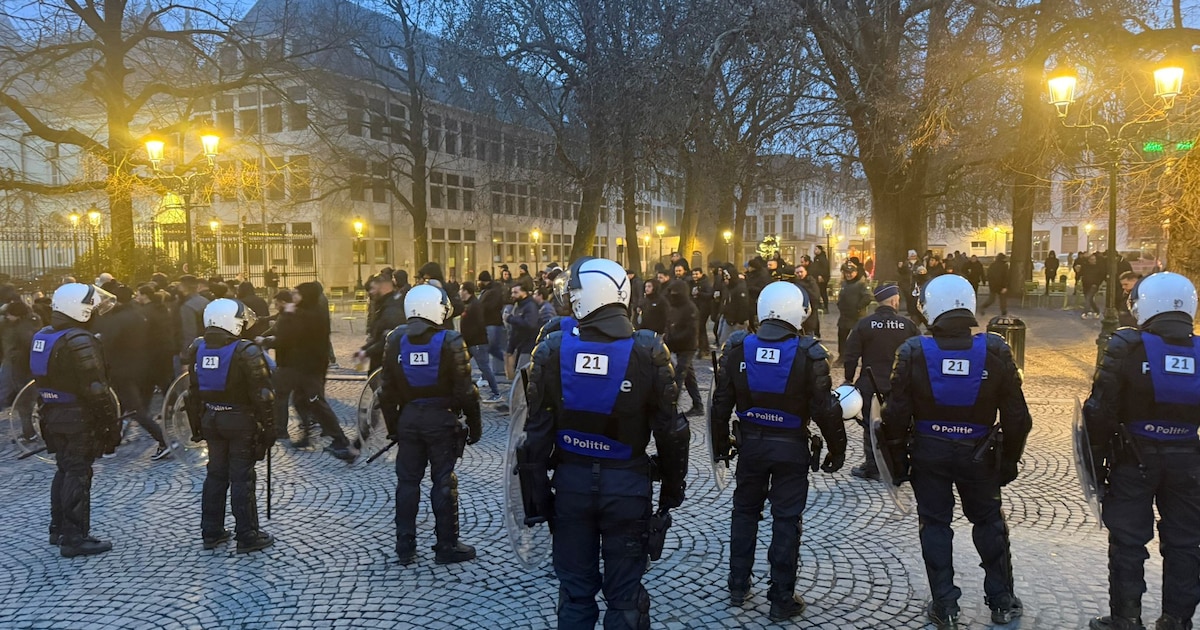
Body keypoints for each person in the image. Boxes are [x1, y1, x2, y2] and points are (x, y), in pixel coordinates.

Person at [517, 256, 689, 628]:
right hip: (627, 486)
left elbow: (533, 439)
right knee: (625, 599)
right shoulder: (647, 350)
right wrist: (672, 492)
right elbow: (672, 432)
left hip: (571, 487)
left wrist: (539, 503)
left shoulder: (552, 349)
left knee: (575, 595)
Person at [878, 274, 1031, 629]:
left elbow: (895, 417)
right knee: (989, 522)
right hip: (979, 453)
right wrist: (1008, 461)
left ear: (930, 309)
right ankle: (1002, 601)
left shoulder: (913, 351)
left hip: (929, 452)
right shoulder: (995, 349)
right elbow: (1017, 416)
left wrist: (897, 463)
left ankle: (945, 604)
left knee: (934, 524)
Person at [710, 280, 846, 621]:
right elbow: (825, 409)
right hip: (790, 449)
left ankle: (738, 585)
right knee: (786, 520)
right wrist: (836, 448)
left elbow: (719, 403)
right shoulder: (809, 353)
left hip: (751, 446)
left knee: (744, 513)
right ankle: (781, 597)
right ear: (797, 314)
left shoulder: (738, 347)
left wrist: (720, 444)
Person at [1084, 272, 1200, 630]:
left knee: (1128, 541)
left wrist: (1097, 463)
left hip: (1132, 458)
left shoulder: (1127, 346)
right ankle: (1177, 619)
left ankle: (1126, 618)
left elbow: (1099, 410)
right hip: (1188, 459)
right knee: (1186, 542)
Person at [378, 285, 481, 565]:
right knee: (444, 481)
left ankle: (405, 545)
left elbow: (385, 391)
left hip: (410, 418)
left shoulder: (395, 339)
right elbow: (466, 391)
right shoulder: (451, 340)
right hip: (441, 419)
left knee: (407, 483)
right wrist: (475, 423)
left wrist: (393, 427)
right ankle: (447, 545)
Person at [32, 283, 121, 557]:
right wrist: (111, 422)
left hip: (51, 412)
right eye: (92, 308)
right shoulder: (79, 339)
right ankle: (74, 537)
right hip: (77, 416)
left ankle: (58, 529)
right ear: (80, 310)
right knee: (78, 472)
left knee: (64, 469)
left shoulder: (44, 335)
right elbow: (96, 387)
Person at [183, 298, 275, 553]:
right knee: (241, 478)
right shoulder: (246, 351)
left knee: (215, 475)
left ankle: (211, 530)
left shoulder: (197, 347)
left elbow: (193, 391)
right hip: (240, 420)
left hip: (211, 418)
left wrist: (198, 425)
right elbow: (263, 394)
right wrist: (270, 428)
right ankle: (247, 535)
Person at [264, 282, 357, 460]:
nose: (294, 297)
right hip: (301, 366)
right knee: (299, 401)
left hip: (310, 368)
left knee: (317, 403)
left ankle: (342, 441)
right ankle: (306, 435)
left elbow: (292, 335)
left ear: (306, 295)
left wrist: (268, 339)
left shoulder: (311, 313)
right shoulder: (304, 312)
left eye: (297, 293)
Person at [840, 283, 920, 479]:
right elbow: (921, 353)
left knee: (871, 425)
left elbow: (851, 355)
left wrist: (849, 379)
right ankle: (899, 465)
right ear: (894, 301)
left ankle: (873, 466)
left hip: (871, 384)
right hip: (900, 386)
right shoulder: (908, 325)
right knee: (901, 424)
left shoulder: (864, 324)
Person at [94, 283, 171, 460]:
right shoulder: (138, 313)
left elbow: (106, 343)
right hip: (138, 367)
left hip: (122, 370)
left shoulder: (118, 319)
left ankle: (163, 440)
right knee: (120, 408)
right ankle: (111, 445)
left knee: (135, 410)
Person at [665, 280, 704, 417]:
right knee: (689, 377)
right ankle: (698, 405)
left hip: (687, 346)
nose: (673, 295)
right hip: (677, 345)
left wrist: (673, 339)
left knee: (679, 376)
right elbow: (670, 324)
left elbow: (691, 331)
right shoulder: (673, 306)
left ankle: (671, 407)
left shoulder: (690, 308)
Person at [2, 301, 40, 439]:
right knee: (25, 402)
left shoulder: (23, 327)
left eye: (9, 314)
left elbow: (28, 345)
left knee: (24, 402)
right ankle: (29, 432)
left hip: (22, 368)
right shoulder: (29, 321)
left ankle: (30, 432)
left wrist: (14, 356)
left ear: (16, 315)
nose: (7, 317)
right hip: (23, 367)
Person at [459, 282, 502, 404]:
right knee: (463, 365)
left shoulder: (475, 305)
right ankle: (468, 391)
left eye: (461, 289)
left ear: (466, 291)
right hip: (469, 342)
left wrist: (469, 337)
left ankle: (496, 393)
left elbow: (478, 324)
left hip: (477, 342)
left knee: (484, 367)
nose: (459, 292)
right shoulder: (468, 304)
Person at [358, 274, 407, 373]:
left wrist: (367, 351)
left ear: (384, 287)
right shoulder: (383, 305)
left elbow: (388, 339)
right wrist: (364, 349)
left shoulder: (392, 309)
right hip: (380, 363)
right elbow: (378, 335)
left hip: (387, 366)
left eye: (373, 288)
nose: (371, 292)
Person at [835, 261, 873, 355]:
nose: (848, 275)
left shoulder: (861, 283)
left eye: (850, 272)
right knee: (842, 336)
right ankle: (842, 356)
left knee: (860, 338)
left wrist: (859, 307)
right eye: (846, 273)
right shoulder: (844, 284)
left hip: (857, 316)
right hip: (845, 316)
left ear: (856, 272)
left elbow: (868, 297)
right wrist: (839, 304)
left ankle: (864, 356)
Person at [176, 275, 210, 374]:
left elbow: (189, 333)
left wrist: (186, 358)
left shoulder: (187, 307)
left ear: (184, 288)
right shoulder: (205, 301)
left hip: (195, 350)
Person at [506, 277, 540, 373]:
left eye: (516, 292)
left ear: (524, 293)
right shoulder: (518, 306)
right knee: (519, 373)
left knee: (521, 373)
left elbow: (530, 324)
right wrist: (510, 348)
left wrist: (510, 319)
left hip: (529, 345)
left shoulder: (530, 306)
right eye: (512, 292)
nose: (513, 295)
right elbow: (514, 330)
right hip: (520, 345)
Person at [977, 253, 1011, 318]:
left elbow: (989, 275)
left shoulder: (992, 265)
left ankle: (983, 306)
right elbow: (1005, 277)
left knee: (991, 299)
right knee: (1002, 299)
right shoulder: (1004, 266)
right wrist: (1005, 286)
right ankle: (1003, 311)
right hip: (1001, 285)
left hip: (993, 285)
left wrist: (991, 284)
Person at [1082, 253, 1106, 319]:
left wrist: (1097, 283)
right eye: (1092, 259)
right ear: (1089, 260)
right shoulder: (1086, 266)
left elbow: (1101, 276)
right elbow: (1082, 273)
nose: (1094, 261)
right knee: (1090, 299)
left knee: (1088, 298)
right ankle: (1097, 310)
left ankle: (1085, 313)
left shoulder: (1098, 267)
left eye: (1094, 259)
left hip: (1094, 285)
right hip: (1086, 285)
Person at [812, 246, 830, 311]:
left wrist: (821, 275)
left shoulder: (823, 258)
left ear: (820, 250)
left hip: (822, 278)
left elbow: (825, 268)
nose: (815, 250)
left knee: (823, 292)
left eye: (816, 249)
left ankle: (826, 307)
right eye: (814, 249)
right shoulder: (816, 258)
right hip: (816, 277)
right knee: (817, 291)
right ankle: (819, 305)